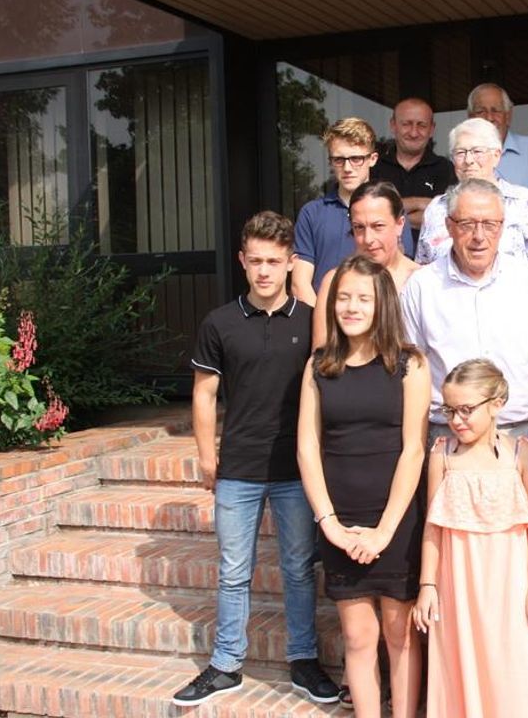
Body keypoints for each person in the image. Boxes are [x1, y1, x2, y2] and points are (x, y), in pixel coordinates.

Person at [173, 211, 338, 707]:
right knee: (233, 570)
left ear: (291, 263)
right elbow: (204, 395)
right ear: (243, 261)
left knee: (297, 569)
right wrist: (206, 456)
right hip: (238, 469)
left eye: (274, 261)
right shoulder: (219, 322)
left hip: (294, 470)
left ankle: (303, 662)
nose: (264, 271)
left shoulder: (311, 322)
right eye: (256, 261)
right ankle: (226, 664)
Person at [297, 255, 430, 718]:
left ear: (383, 305)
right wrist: (329, 523)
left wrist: (386, 530)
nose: (351, 307)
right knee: (357, 636)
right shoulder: (319, 366)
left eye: (363, 298)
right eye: (344, 297)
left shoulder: (410, 364)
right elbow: (308, 447)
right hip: (339, 519)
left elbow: (415, 449)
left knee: (399, 632)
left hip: (396, 519)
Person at [412, 359, 528, 718]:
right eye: (450, 410)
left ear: (497, 403)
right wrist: (427, 585)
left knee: (507, 663)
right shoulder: (442, 455)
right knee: (459, 664)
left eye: (466, 410)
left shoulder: (521, 453)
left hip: (508, 586)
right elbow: (433, 526)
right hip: (457, 584)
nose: (457, 420)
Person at [403, 178, 528, 453]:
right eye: (467, 224)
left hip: (520, 434)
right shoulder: (422, 286)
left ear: (502, 227)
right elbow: (412, 368)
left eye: (489, 224)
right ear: (449, 226)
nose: (479, 236)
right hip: (447, 436)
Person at [415, 117, 528, 294]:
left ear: (497, 156)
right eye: (460, 152)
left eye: (477, 151)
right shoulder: (437, 208)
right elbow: (422, 269)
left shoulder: (524, 202)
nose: (468, 160)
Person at [293, 117, 415, 306]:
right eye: (339, 160)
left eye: (356, 159)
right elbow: (300, 284)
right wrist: (330, 325)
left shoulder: (391, 209)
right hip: (325, 323)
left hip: (382, 322)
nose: (347, 168)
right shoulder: (312, 213)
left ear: (372, 159)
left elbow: (399, 275)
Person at [313, 181, 420, 347]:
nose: (368, 239)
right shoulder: (334, 280)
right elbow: (320, 354)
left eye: (378, 226)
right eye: (359, 227)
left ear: (399, 224)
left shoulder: (422, 280)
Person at [370, 98, 458, 244]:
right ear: (393, 125)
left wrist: (385, 218)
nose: (413, 132)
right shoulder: (375, 168)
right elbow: (368, 212)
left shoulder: (446, 169)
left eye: (421, 125)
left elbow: (446, 218)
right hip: (381, 261)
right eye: (406, 124)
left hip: (432, 263)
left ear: (431, 129)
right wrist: (421, 203)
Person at [467, 82, 528, 205]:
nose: (489, 118)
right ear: (470, 118)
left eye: (496, 110)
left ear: (508, 116)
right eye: (481, 111)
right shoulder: (463, 156)